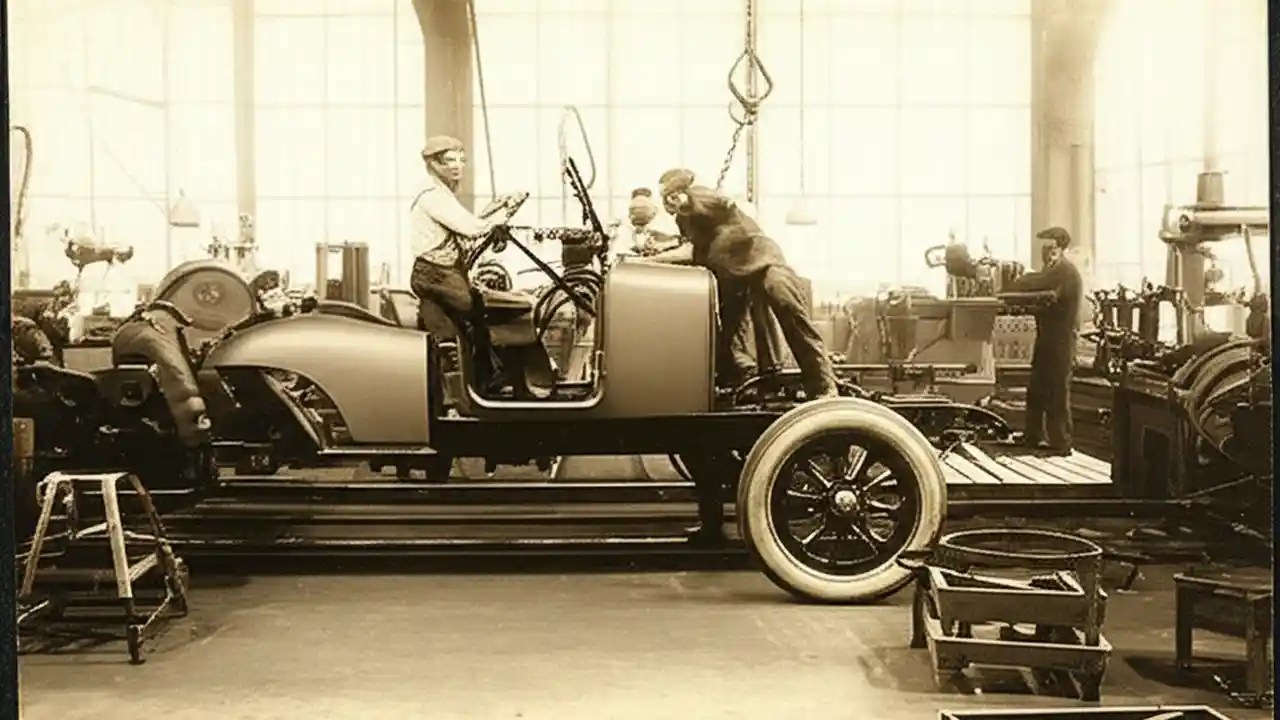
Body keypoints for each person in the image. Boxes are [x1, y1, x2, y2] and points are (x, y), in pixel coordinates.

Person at [646, 168, 838, 400]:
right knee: (727, 333)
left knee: (789, 309)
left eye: (667, 195)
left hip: (764, 262)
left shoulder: (699, 197)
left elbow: (716, 202)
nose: (665, 203)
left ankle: (823, 385)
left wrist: (687, 202)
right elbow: (694, 250)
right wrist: (653, 256)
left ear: (678, 192)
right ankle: (746, 383)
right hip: (732, 275)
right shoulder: (683, 220)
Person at [1006, 226, 1084, 455]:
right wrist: (1026, 308)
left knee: (1057, 391)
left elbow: (1037, 284)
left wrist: (1013, 282)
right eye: (1043, 247)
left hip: (1060, 341)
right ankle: (1033, 435)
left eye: (1049, 247)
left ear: (1060, 249)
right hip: (1047, 339)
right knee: (1037, 388)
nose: (1045, 252)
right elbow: (1046, 304)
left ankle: (1061, 442)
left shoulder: (1064, 272)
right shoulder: (1053, 270)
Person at [407, 135, 495, 333]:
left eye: (461, 160)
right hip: (436, 273)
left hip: (439, 271)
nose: (457, 166)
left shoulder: (441, 191)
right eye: (449, 161)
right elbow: (468, 226)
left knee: (455, 323)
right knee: (478, 308)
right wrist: (497, 222)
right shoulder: (432, 194)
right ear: (434, 164)